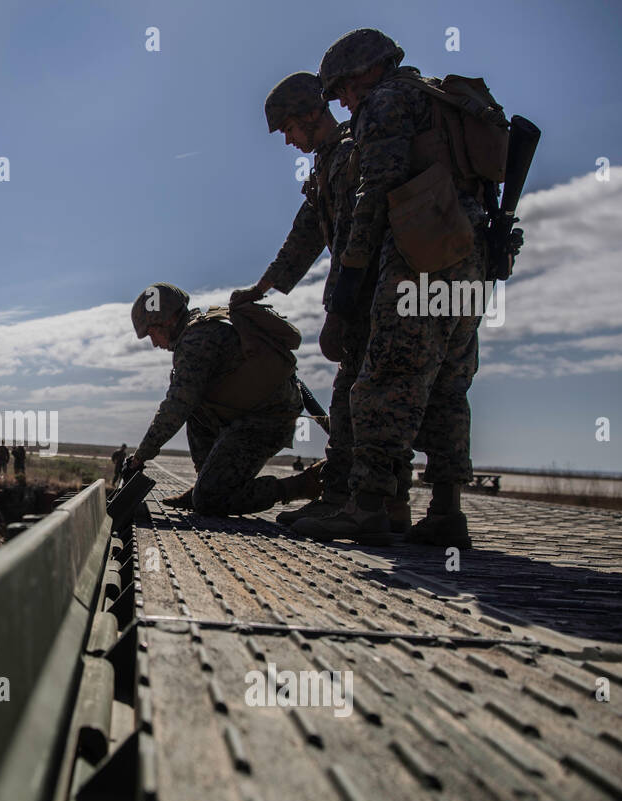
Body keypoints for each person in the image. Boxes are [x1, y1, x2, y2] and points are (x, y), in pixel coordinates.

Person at [293, 29, 490, 547]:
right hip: (468, 255)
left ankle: (371, 506)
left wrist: (348, 285)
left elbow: (374, 192)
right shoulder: (438, 99)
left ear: (364, 73)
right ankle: (447, 509)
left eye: (341, 90)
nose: (340, 102)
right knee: (449, 385)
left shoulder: (387, 103)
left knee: (386, 381)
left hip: (418, 255)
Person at [231, 70, 412, 534]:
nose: (289, 140)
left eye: (290, 128)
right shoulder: (327, 164)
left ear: (314, 114)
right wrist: (263, 288)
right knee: (367, 395)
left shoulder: (351, 154)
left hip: (375, 295)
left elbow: (360, 236)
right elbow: (304, 237)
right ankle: (356, 500)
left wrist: (341, 308)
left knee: (367, 397)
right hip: (368, 297)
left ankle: (356, 502)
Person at [122, 282, 322, 515]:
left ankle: (299, 485)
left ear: (167, 320)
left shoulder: (197, 340)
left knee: (210, 501)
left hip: (267, 421)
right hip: (251, 415)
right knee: (195, 408)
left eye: (152, 332)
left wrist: (140, 457)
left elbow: (176, 405)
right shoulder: (197, 333)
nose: (154, 343)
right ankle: (206, 482)